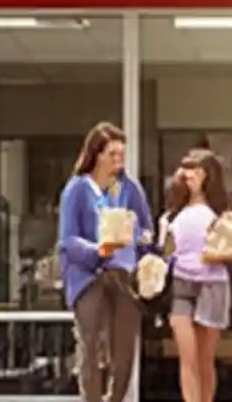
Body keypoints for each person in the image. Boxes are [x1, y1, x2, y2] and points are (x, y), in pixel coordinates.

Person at [57, 121, 155, 402]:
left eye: (121, 154)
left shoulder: (129, 188)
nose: (118, 160)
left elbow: (146, 230)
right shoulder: (77, 189)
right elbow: (67, 240)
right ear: (96, 155)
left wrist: (141, 243)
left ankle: (116, 398)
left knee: (124, 349)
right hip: (89, 275)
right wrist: (97, 250)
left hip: (123, 273)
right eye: (112, 154)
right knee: (91, 345)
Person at [162, 148, 232, 402]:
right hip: (181, 281)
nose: (189, 174)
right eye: (186, 169)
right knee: (187, 355)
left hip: (212, 283)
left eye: (196, 169)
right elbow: (166, 251)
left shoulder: (221, 211)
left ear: (208, 175)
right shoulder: (173, 212)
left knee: (205, 358)